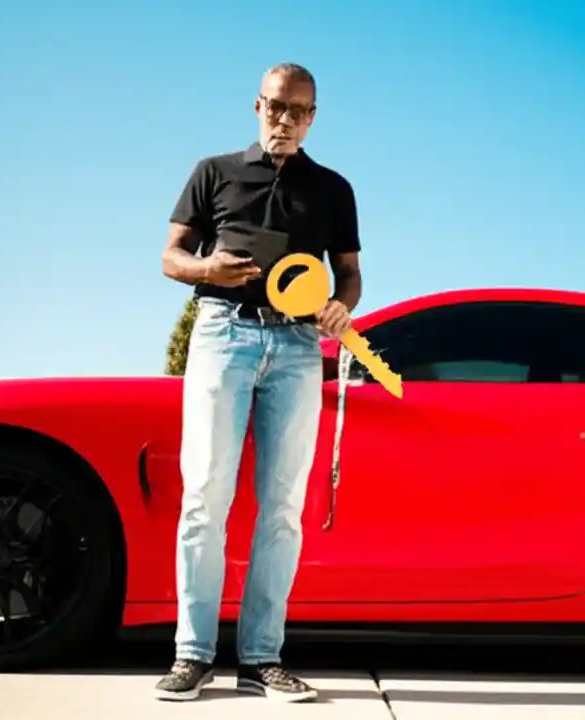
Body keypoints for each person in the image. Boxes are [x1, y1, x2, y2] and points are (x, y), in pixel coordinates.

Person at [155, 62, 362, 702]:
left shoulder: (333, 188)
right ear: (257, 106)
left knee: (283, 507)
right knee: (204, 496)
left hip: (300, 344)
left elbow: (349, 273)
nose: (285, 120)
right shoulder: (212, 172)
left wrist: (341, 307)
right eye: (276, 107)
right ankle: (192, 655)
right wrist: (205, 269)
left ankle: (261, 659)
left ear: (313, 117)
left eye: (298, 111)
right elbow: (168, 257)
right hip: (223, 332)